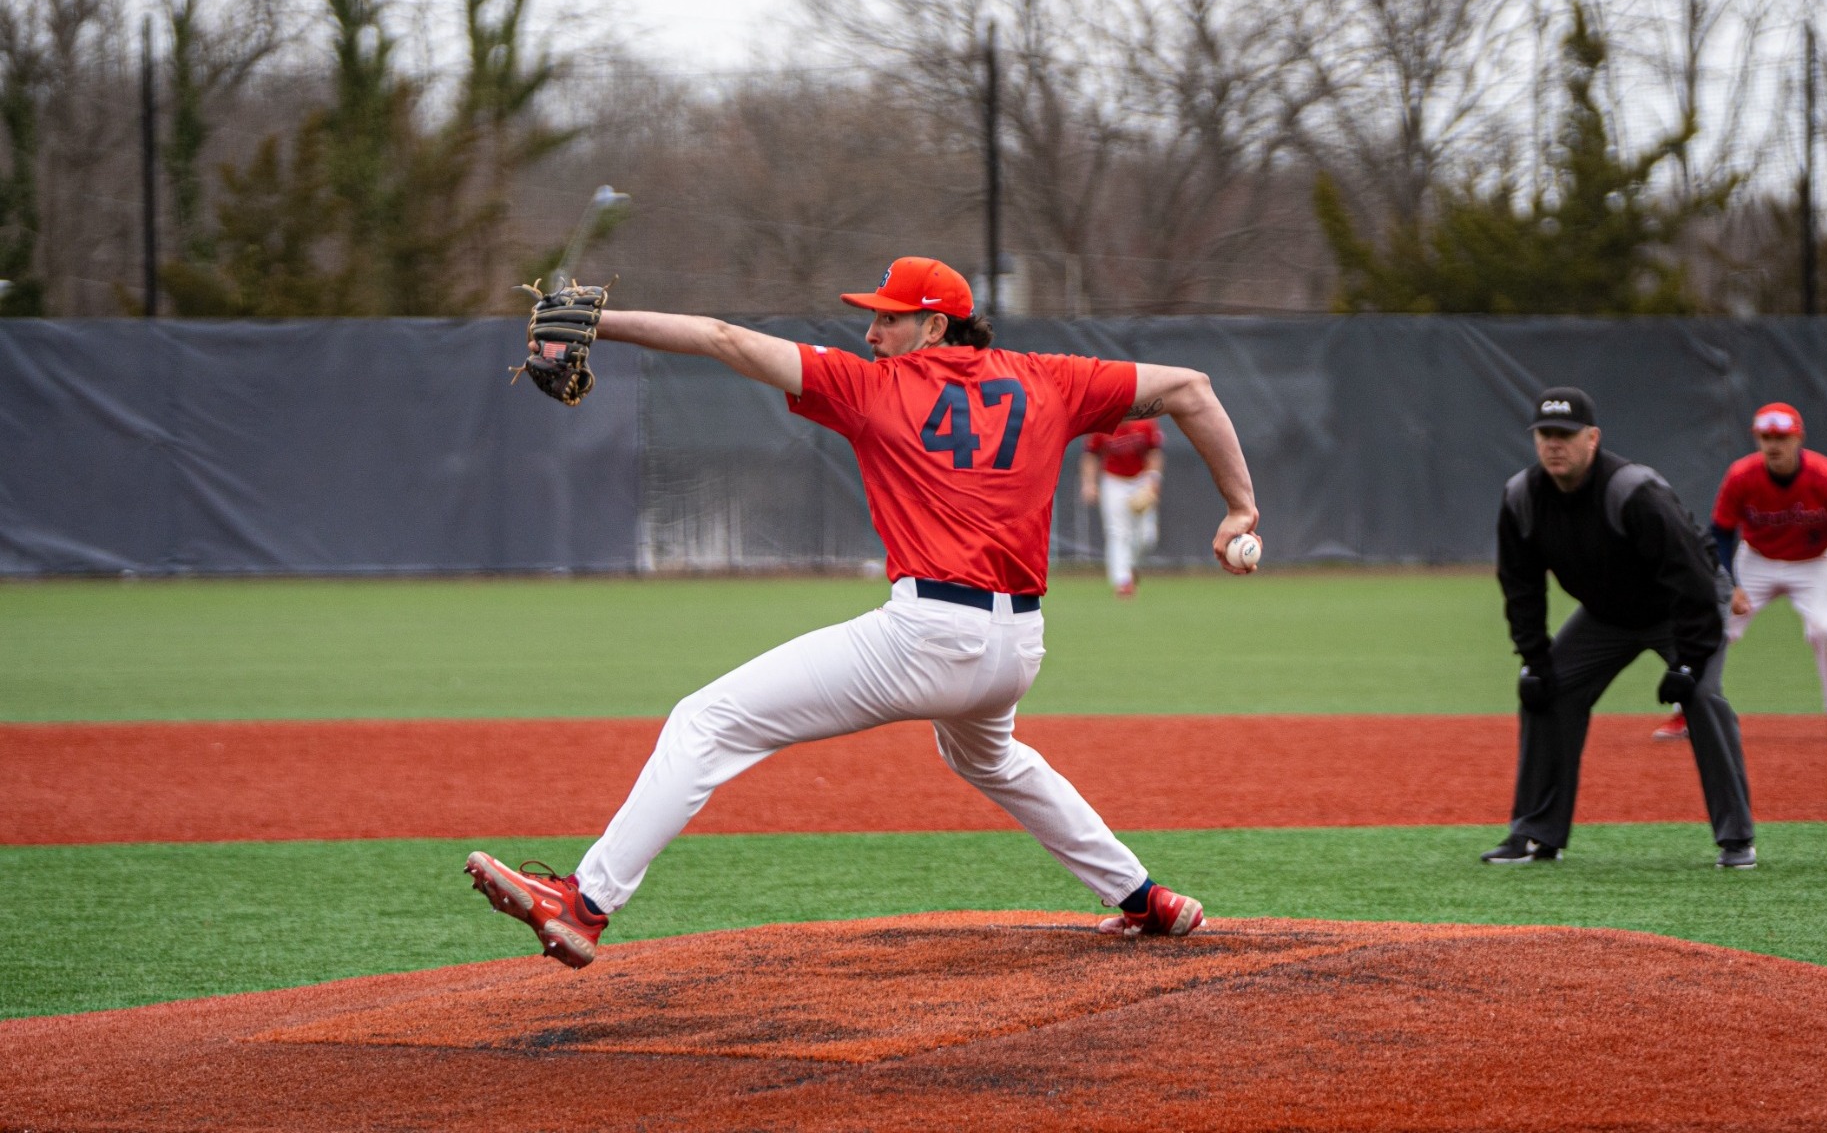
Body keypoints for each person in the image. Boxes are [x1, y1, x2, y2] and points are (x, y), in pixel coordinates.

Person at [466, 256, 1261, 967]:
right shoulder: (1049, 378)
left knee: (708, 721)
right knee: (989, 758)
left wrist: (602, 322)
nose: (872, 330)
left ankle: (584, 904)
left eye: (888, 316)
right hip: (1016, 646)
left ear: (934, 324)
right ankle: (1141, 896)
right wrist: (1239, 511)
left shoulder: (872, 386)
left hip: (927, 637)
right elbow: (1192, 387)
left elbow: (720, 337)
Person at [1486, 386, 1758, 869]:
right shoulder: (1522, 497)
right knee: (1546, 690)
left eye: (1565, 435)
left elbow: (1693, 577)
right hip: (1607, 614)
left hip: (1681, 606)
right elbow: (1520, 587)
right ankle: (1534, 834)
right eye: (1545, 434)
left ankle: (1736, 839)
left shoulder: (1632, 491)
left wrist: (1690, 661)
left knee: (1701, 696)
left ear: (1592, 438)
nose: (1554, 444)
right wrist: (1534, 659)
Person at [1653, 402, 1827, 742]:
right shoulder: (1742, 475)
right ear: (1757, 438)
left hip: (1812, 564)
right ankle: (1686, 712)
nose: (1773, 444)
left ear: (1798, 438)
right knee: (1715, 627)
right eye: (1766, 436)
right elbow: (1722, 533)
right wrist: (1731, 583)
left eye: (1781, 437)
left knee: (1824, 631)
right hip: (1756, 562)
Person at [1080, 418, 1165, 597]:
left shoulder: (1145, 423)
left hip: (1140, 479)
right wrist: (1089, 483)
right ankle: (1123, 581)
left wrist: (1153, 479)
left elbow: (1155, 452)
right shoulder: (1102, 424)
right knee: (1117, 532)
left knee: (1147, 536)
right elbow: (1090, 454)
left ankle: (1129, 565)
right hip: (1113, 481)